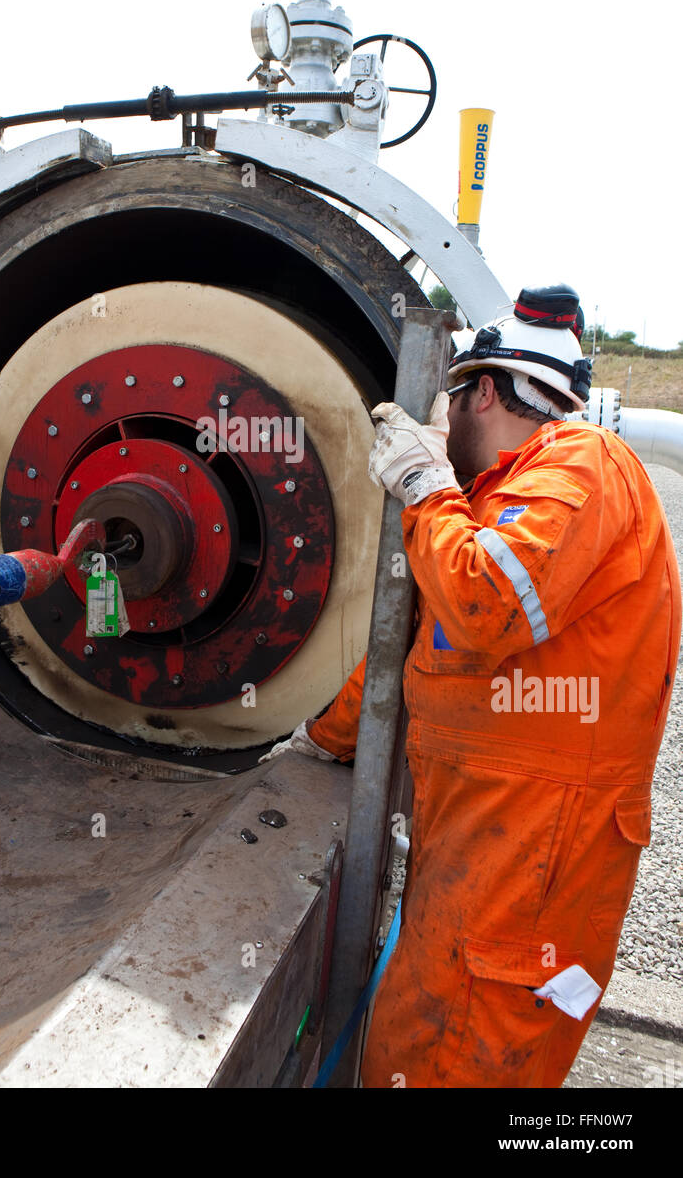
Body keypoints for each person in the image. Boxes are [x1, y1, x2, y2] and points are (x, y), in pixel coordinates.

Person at [264, 285, 681, 1088]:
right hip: (475, 871)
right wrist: (318, 740)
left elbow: (484, 603)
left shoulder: (582, 465)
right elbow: (419, 658)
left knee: (448, 1069)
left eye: (446, 403)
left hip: (525, 891)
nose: (438, 426)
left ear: (482, 389)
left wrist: (425, 487)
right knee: (402, 1056)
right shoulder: (490, 507)